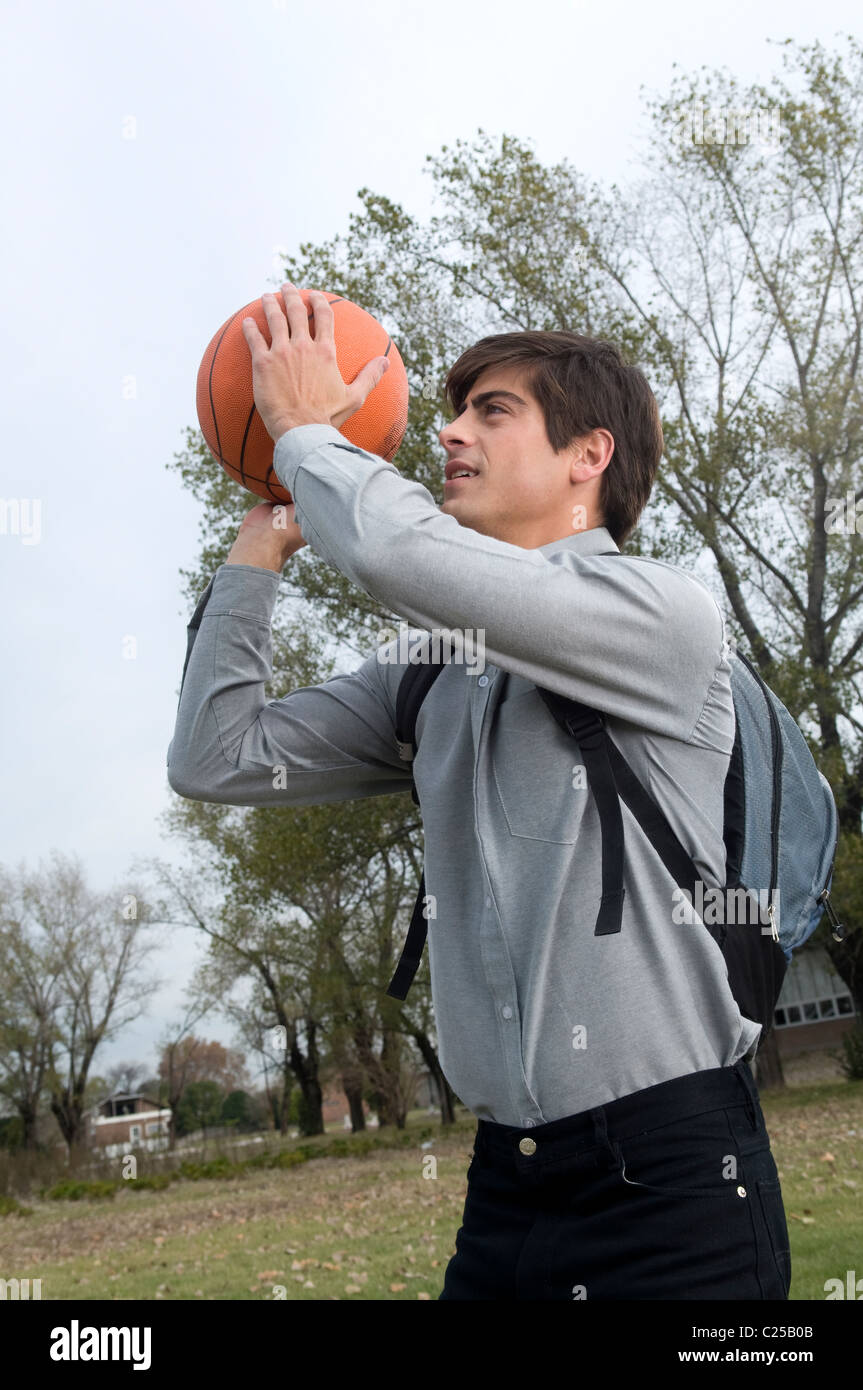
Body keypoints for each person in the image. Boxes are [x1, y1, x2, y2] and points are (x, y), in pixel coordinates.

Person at [167, 285, 791, 1300]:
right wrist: (253, 558)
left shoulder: (660, 619)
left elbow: (398, 551)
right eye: (454, 410)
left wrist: (306, 431)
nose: (448, 432)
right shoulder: (432, 674)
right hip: (509, 1184)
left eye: (490, 411)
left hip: (676, 1182)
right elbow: (215, 754)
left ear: (588, 455)